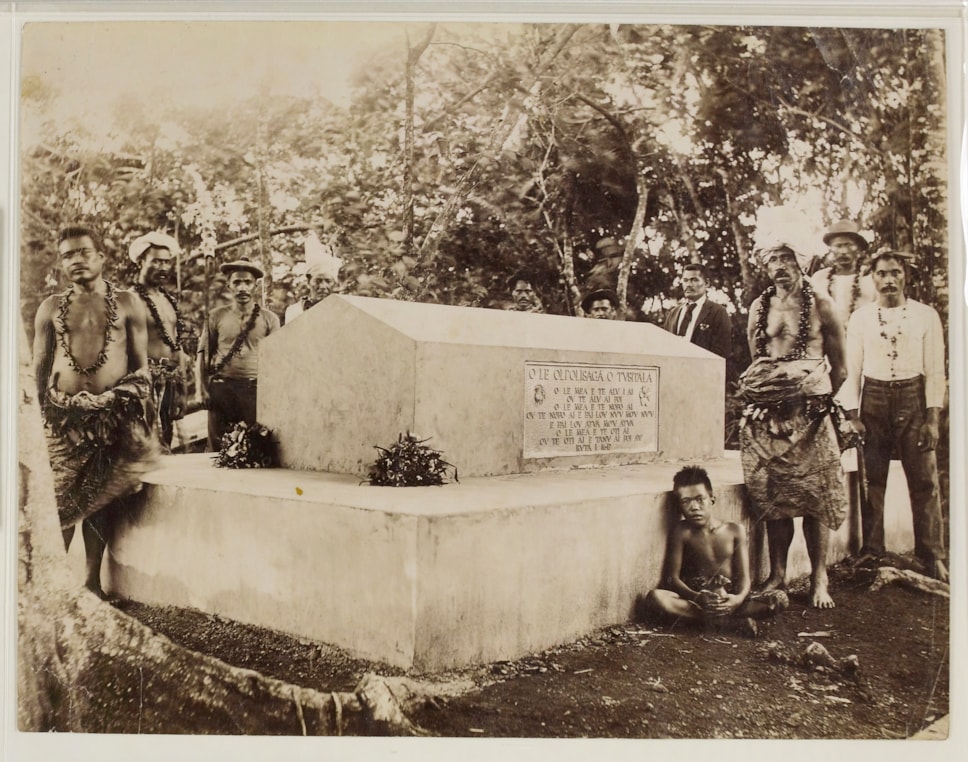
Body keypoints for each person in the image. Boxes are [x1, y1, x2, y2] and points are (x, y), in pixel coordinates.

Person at [33, 225, 160, 598]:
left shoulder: (128, 303)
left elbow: (140, 368)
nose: (76, 260)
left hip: (111, 418)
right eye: (67, 255)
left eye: (83, 252)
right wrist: (44, 413)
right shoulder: (50, 307)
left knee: (99, 500)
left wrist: (123, 405)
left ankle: (91, 584)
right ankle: (52, 587)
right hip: (63, 421)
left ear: (101, 257)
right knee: (59, 502)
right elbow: (39, 369)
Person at [739, 242, 848, 609]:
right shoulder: (759, 307)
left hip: (811, 416)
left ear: (802, 261)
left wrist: (812, 402)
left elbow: (840, 368)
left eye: (787, 257)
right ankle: (778, 575)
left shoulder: (822, 304)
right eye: (773, 259)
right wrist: (774, 398)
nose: (780, 265)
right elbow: (759, 364)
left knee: (815, 495)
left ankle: (819, 577)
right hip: (770, 416)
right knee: (774, 495)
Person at [840, 251, 948, 582]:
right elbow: (851, 368)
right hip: (873, 400)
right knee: (872, 479)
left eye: (895, 273)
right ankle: (873, 551)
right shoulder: (860, 318)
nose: (889, 280)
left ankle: (931, 556)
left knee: (924, 479)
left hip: (913, 399)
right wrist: (853, 415)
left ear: (906, 276)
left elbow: (935, 369)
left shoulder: (925, 316)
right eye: (882, 273)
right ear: (872, 278)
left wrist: (932, 418)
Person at [644, 466, 787, 637]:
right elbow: (672, 579)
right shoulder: (682, 532)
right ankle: (728, 624)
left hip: (729, 598)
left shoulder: (735, 531)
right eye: (685, 501)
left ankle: (714, 620)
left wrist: (737, 599)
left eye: (700, 499)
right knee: (655, 598)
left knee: (779, 599)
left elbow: (744, 578)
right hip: (697, 601)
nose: (694, 507)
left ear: (712, 499)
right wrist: (698, 597)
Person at [199, 258, 280, 449]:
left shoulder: (270, 318)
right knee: (217, 447)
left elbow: (277, 360)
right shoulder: (215, 316)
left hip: (254, 390)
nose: (242, 287)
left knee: (252, 446)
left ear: (255, 286)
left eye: (247, 282)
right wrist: (201, 389)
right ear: (229, 285)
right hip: (222, 388)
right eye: (237, 282)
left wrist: (273, 393)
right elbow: (202, 355)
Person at [128, 231, 187, 449]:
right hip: (143, 384)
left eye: (166, 262)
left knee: (167, 444)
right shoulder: (129, 299)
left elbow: (177, 345)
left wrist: (182, 390)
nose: (162, 267)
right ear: (141, 262)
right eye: (156, 261)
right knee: (145, 446)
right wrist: (141, 392)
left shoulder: (168, 300)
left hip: (170, 381)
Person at [809, 219, 876, 327]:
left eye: (849, 245)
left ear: (858, 248)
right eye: (838, 246)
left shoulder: (870, 276)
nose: (843, 251)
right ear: (831, 248)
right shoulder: (819, 278)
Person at [662, 263, 732, 359]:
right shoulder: (673, 313)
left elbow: (722, 351)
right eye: (685, 280)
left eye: (694, 280)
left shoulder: (718, 312)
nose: (688, 285)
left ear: (706, 283)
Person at [285, 252, 343, 323]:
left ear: (334, 283)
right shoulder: (296, 311)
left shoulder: (342, 309)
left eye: (328, 281)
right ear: (308, 282)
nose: (322, 286)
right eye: (318, 281)